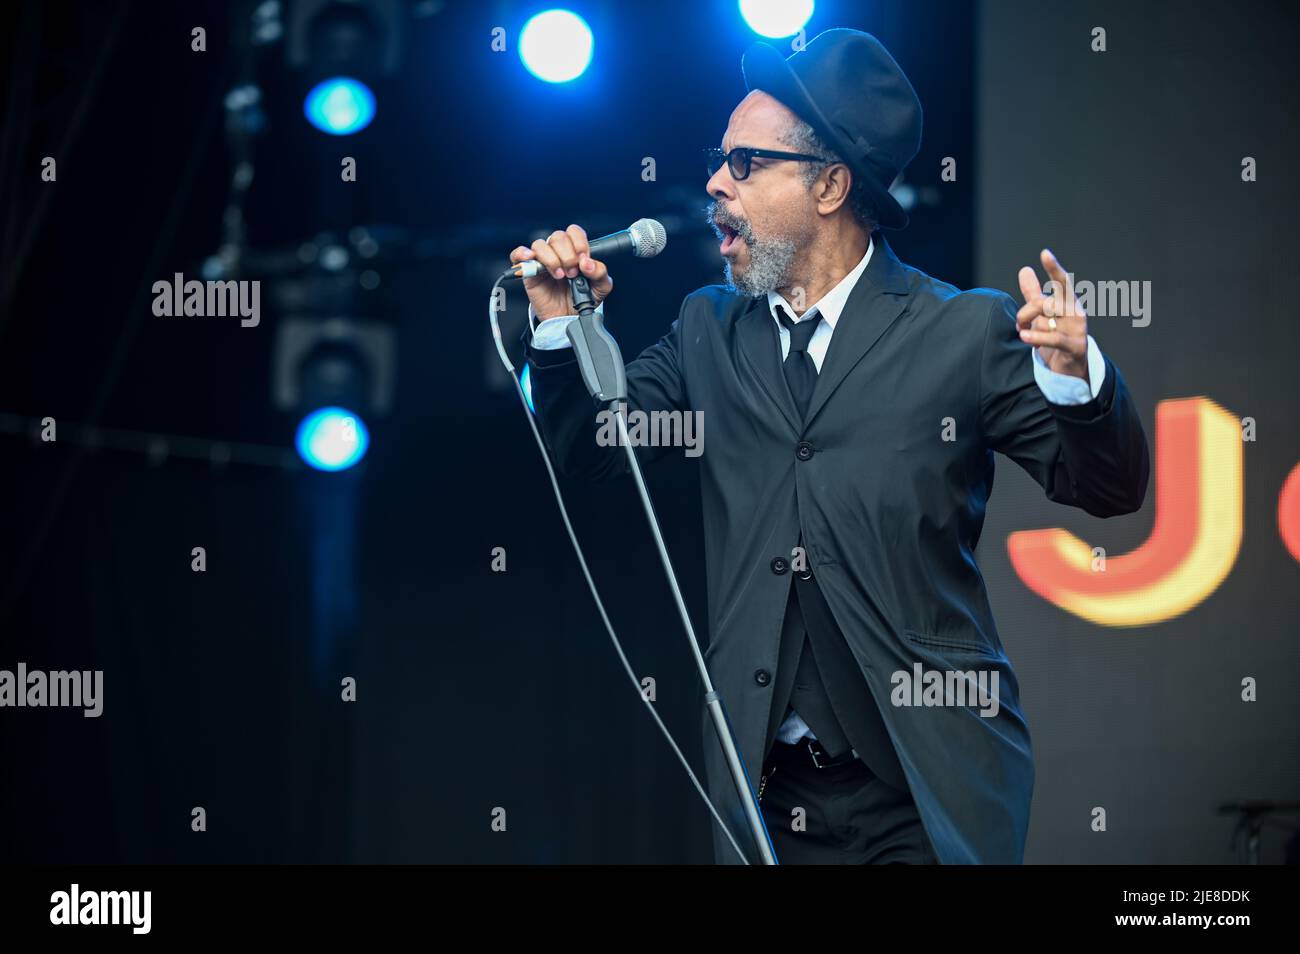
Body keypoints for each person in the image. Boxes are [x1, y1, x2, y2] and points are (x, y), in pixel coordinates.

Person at [512, 29, 1149, 864]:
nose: (714, 182)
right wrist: (563, 329)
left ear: (831, 186)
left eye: (745, 163)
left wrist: (1077, 378)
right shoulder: (709, 328)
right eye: (719, 158)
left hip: (927, 789)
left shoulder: (963, 330)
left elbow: (1108, 487)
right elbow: (597, 451)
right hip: (772, 796)